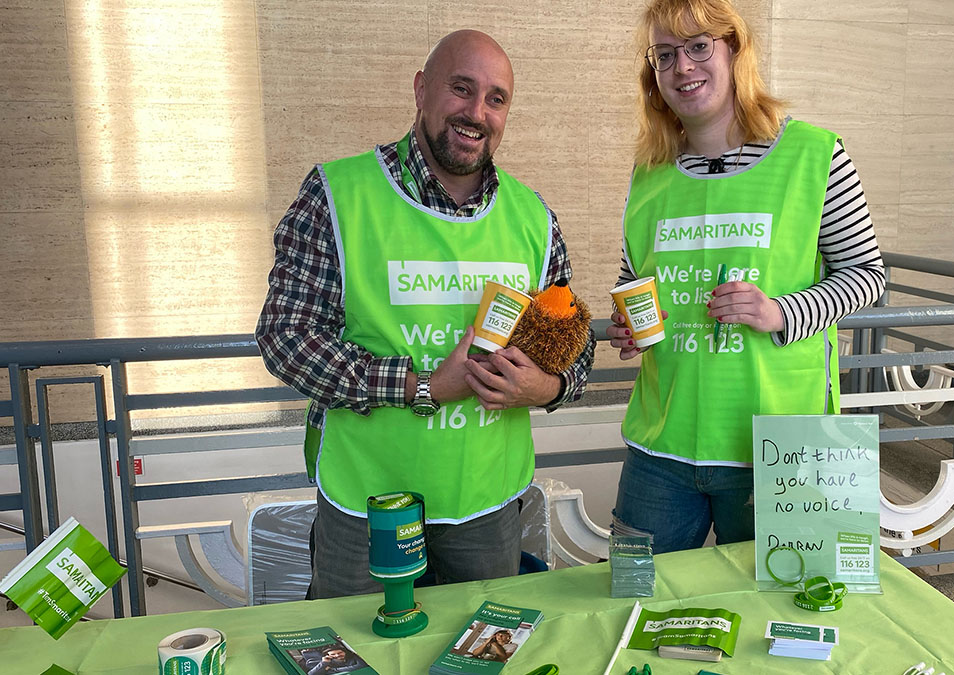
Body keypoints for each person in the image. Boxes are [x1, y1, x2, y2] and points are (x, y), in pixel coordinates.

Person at [256, 29, 595, 598]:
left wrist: (546, 386)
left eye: (496, 98)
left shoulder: (533, 216)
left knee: (479, 651)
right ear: (420, 89)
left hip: (485, 501)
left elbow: (574, 342)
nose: (476, 112)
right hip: (367, 502)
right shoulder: (338, 194)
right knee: (357, 650)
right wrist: (423, 386)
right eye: (461, 89)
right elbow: (286, 338)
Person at [607, 0, 886, 553]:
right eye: (665, 55)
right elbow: (632, 279)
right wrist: (626, 324)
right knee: (633, 600)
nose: (682, 67)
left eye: (698, 47)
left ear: (735, 50)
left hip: (780, 447)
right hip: (661, 451)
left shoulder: (814, 154)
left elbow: (868, 276)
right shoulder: (650, 173)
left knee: (788, 617)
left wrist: (781, 312)